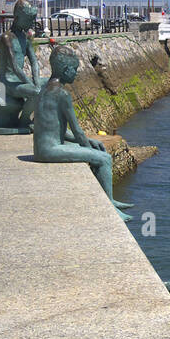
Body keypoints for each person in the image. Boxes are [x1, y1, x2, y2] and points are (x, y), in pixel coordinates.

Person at [32, 45, 135, 220]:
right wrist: (89, 149)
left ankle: (109, 199)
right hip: (48, 151)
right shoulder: (62, 94)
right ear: (65, 70)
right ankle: (109, 207)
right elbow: (78, 131)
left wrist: (89, 142)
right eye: (74, 70)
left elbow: (53, 128)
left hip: (43, 146)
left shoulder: (44, 88)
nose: (76, 73)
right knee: (104, 158)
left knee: (96, 148)